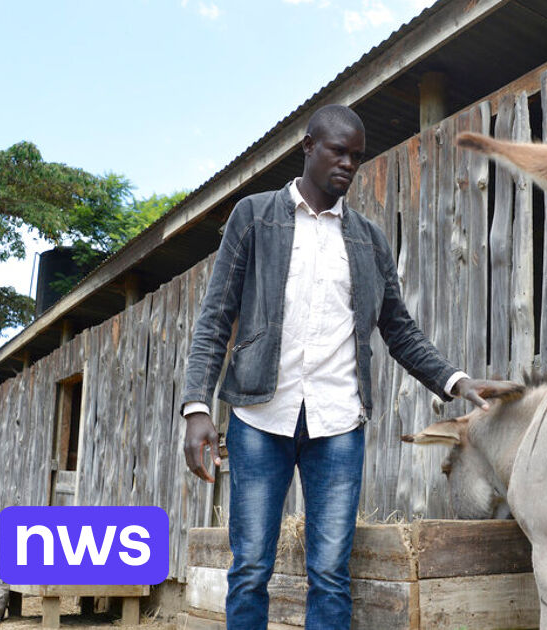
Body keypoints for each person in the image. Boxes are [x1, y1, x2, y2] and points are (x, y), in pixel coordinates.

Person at [180, 104, 517, 630]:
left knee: (332, 574)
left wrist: (458, 381)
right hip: (258, 420)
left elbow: (399, 330)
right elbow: (215, 317)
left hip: (338, 426)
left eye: (356, 157)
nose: (348, 165)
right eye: (338, 151)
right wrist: (197, 407)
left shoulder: (367, 240)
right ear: (309, 146)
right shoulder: (254, 216)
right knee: (249, 569)